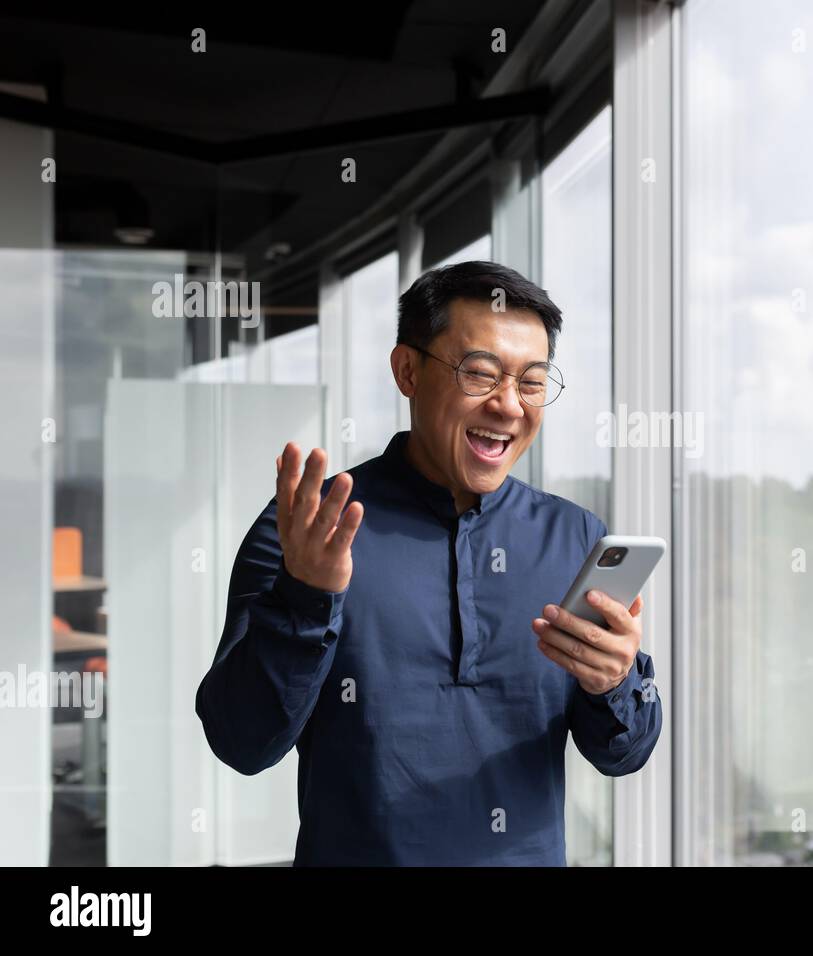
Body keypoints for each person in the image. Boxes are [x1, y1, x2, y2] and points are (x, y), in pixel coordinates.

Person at [195, 260, 663, 865]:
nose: (509, 406)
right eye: (481, 374)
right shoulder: (314, 527)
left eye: (532, 381)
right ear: (407, 370)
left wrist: (616, 684)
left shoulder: (574, 537)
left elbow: (623, 755)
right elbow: (241, 742)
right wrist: (306, 598)